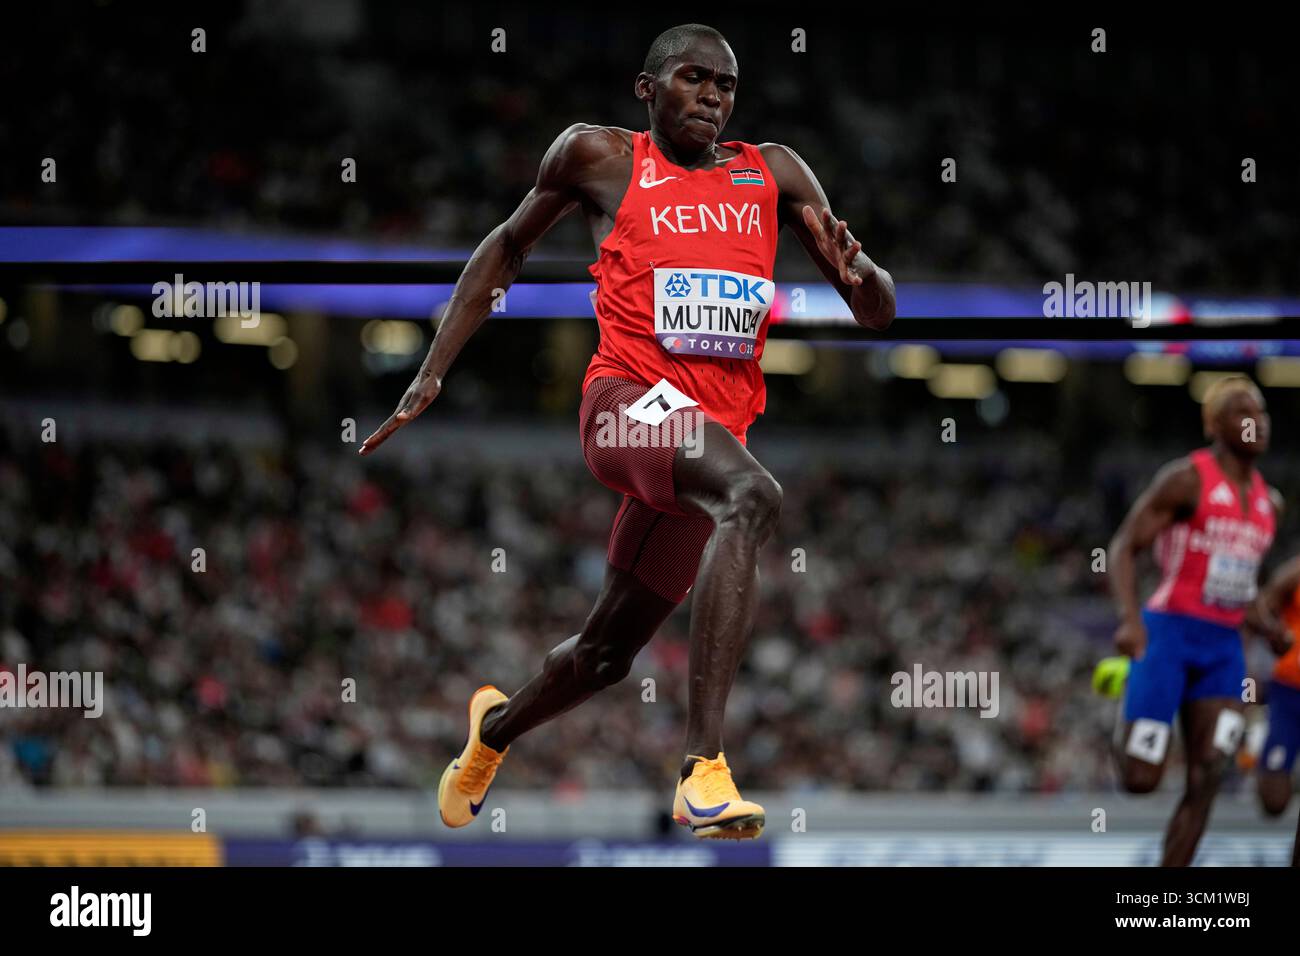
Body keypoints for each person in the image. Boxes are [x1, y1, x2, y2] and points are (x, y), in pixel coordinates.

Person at [359, 23, 894, 839]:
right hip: (627, 405)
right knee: (753, 493)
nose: (713, 96)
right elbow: (504, 249)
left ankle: (491, 733)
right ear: (647, 89)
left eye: (726, 85)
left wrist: (861, 270)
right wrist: (431, 371)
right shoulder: (600, 158)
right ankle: (703, 771)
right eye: (693, 79)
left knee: (608, 656)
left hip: (704, 441)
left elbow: (875, 312)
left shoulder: (773, 173)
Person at [1106, 375, 1280, 866]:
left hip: (1225, 650)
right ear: (1215, 425)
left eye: (1262, 413)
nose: (1258, 423)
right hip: (1168, 635)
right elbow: (1123, 546)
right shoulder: (1186, 479)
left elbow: (1245, 585)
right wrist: (1129, 620)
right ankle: (1125, 697)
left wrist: (1270, 625)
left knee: (1208, 777)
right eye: (1243, 413)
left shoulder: (1272, 504)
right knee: (1141, 780)